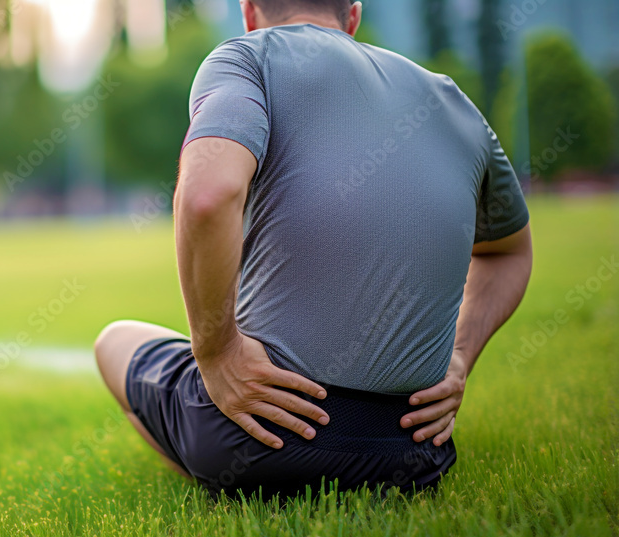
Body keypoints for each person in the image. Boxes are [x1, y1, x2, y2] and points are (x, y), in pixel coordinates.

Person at [94, 0, 533, 500]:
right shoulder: (451, 99)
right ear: (353, 16)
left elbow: (206, 196)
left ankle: (238, 476)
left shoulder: (245, 57)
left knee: (114, 341)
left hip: (260, 435)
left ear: (249, 13)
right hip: (415, 451)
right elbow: (509, 251)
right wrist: (458, 357)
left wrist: (217, 354)